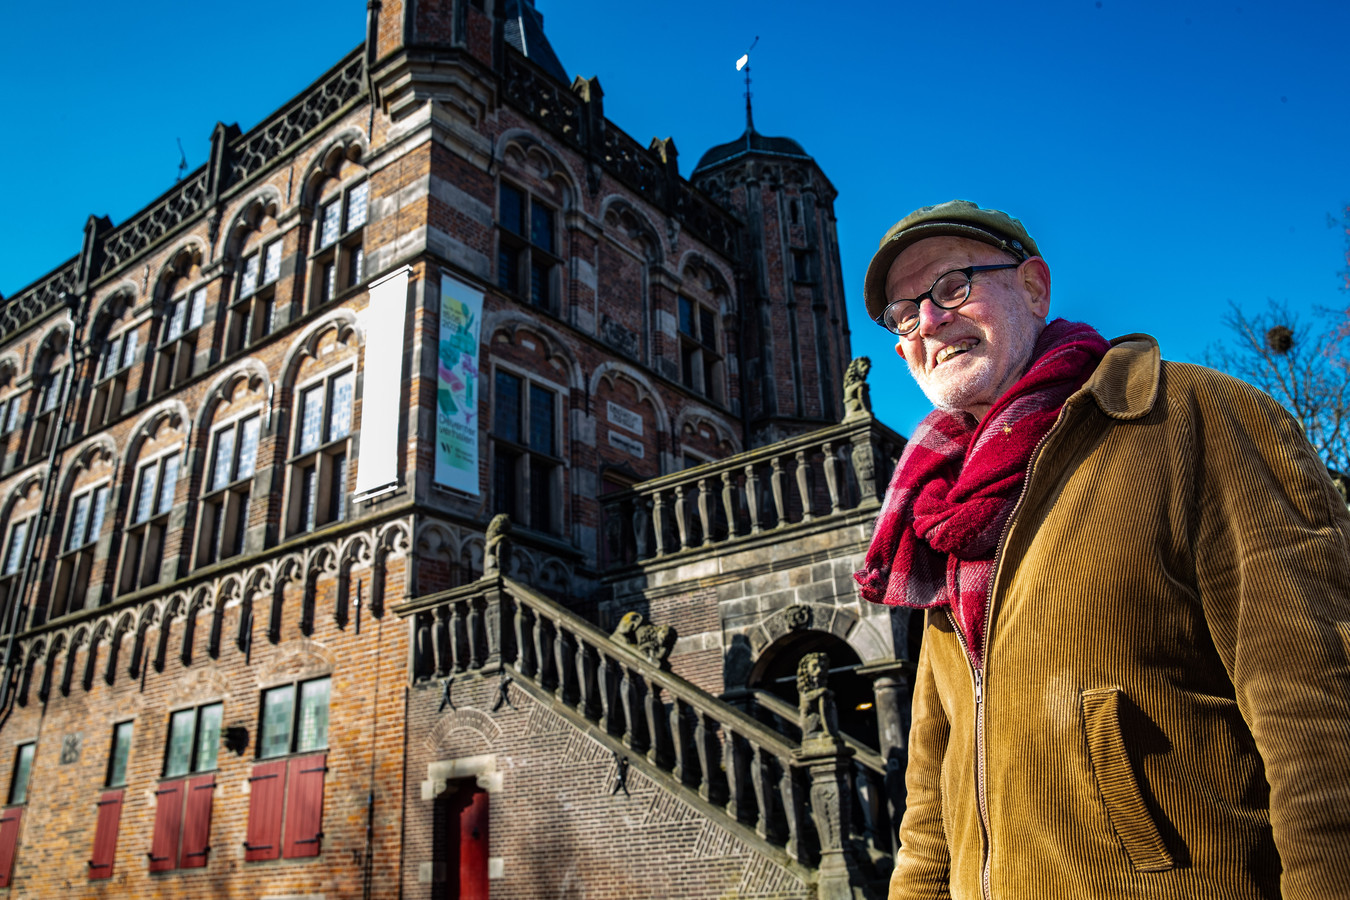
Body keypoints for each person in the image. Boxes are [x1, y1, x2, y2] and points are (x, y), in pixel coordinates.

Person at [853, 200, 1350, 899]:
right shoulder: (937, 515)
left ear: (1034, 287)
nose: (929, 322)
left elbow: (1317, 718)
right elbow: (933, 789)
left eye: (953, 286)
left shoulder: (1192, 417)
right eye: (904, 315)